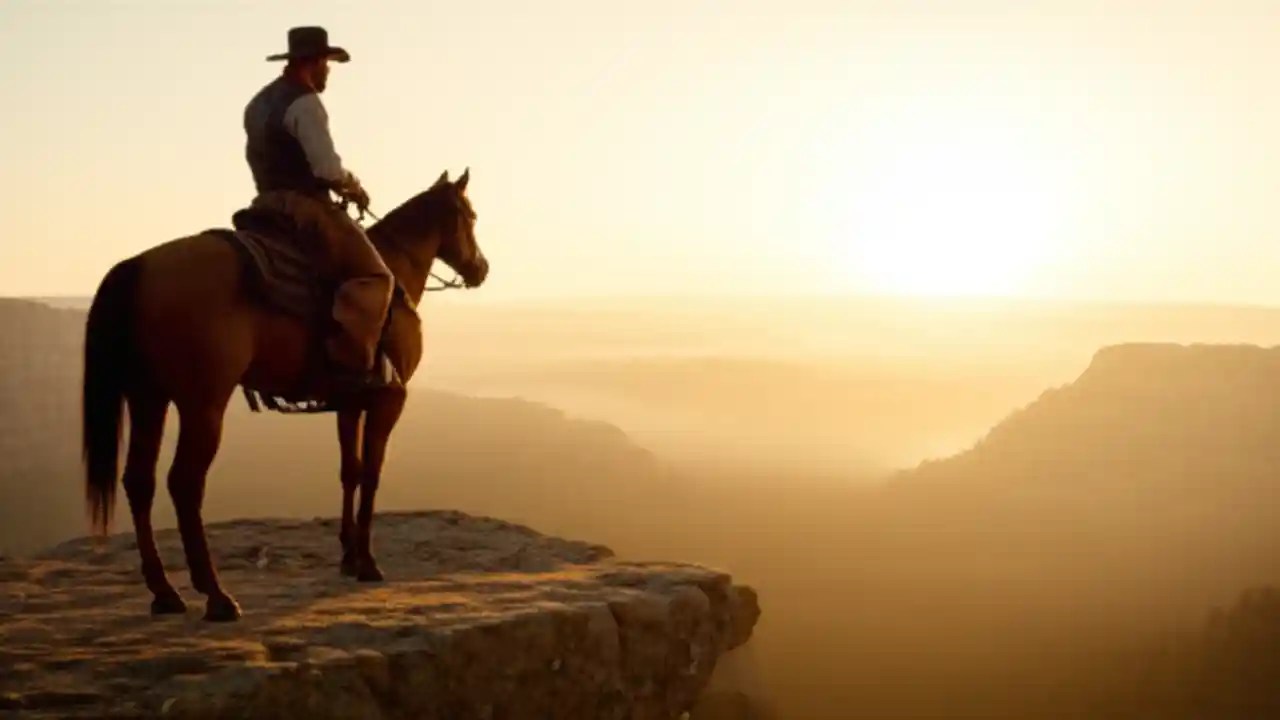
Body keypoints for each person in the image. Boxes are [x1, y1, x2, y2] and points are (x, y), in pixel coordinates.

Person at [242, 26, 396, 393]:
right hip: (302, 206)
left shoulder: (259, 102)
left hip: (263, 203)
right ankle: (350, 367)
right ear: (313, 62)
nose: (328, 71)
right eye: (327, 63)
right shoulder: (306, 102)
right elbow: (326, 169)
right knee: (376, 277)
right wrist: (353, 185)